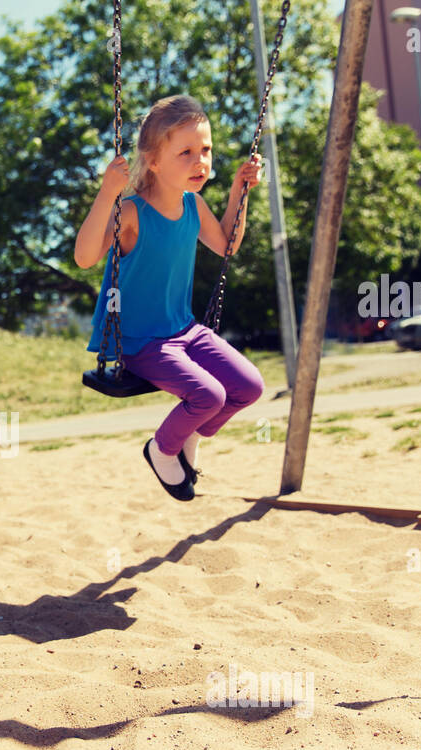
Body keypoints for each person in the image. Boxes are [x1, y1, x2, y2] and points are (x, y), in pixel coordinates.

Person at [75, 94, 266, 501]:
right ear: (154, 161)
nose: (200, 161)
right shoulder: (130, 212)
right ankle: (161, 449)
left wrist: (239, 192)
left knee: (248, 386)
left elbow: (227, 245)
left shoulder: (193, 206)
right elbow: (84, 257)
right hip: (140, 341)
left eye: (206, 150)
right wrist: (107, 193)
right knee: (209, 395)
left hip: (185, 330)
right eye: (186, 153)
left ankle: (190, 438)